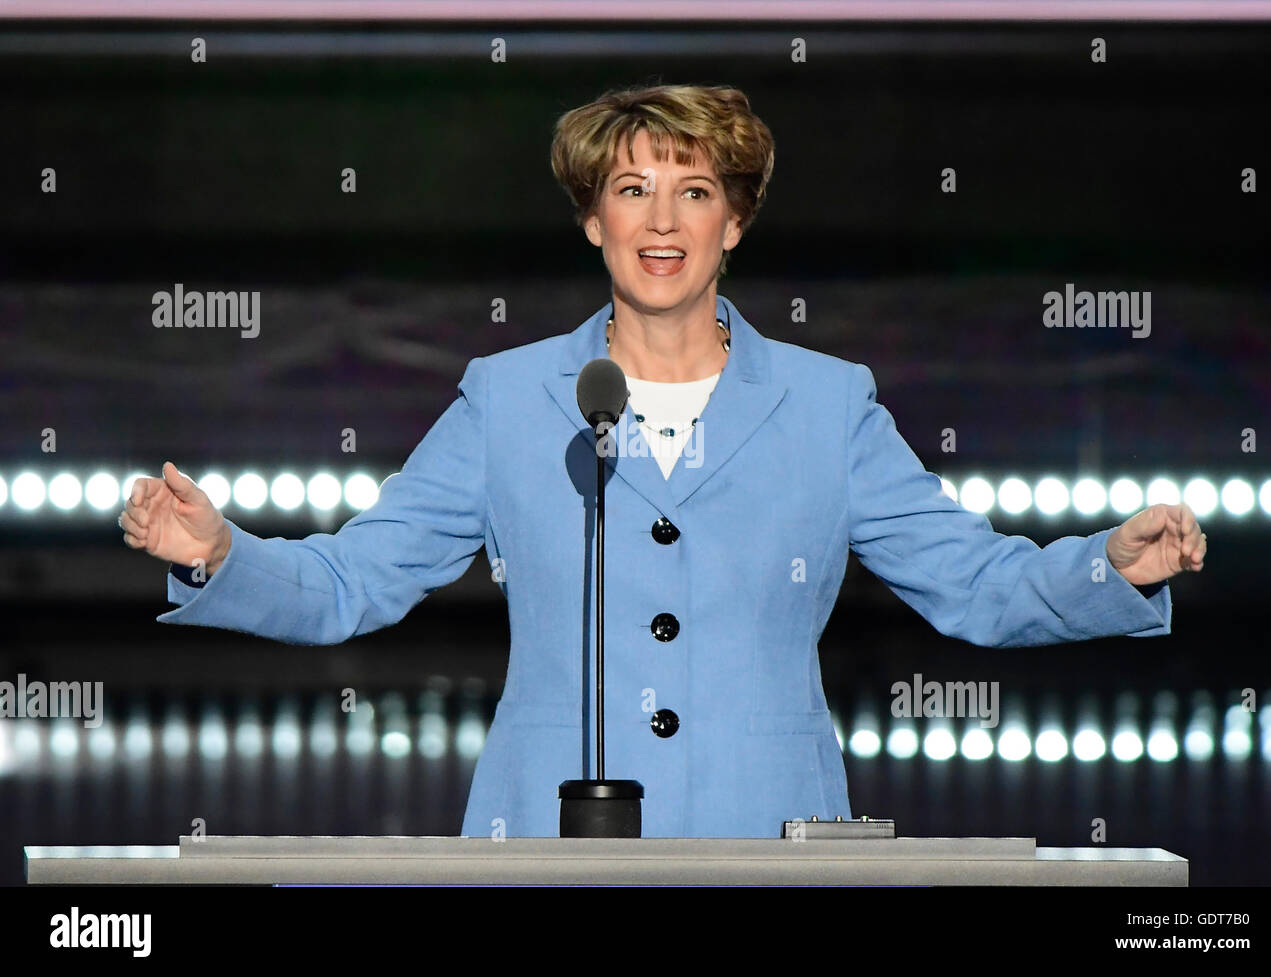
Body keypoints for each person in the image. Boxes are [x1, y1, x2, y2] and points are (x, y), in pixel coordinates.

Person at [120, 83, 1207, 839]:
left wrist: (1109, 563)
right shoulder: (508, 398)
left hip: (771, 835)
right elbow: (353, 580)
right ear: (592, 220)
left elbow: (976, 583)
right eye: (631, 188)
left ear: (734, 222)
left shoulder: (828, 404)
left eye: (694, 190)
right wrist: (219, 553)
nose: (662, 218)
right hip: (550, 834)